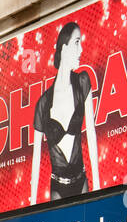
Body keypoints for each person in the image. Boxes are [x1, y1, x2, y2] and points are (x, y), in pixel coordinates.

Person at [30, 21, 100, 204]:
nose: (81, 50)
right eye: (77, 42)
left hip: (81, 180)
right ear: (65, 48)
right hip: (57, 187)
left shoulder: (83, 82)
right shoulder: (43, 104)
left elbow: (91, 135)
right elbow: (36, 158)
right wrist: (31, 206)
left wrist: (98, 186)